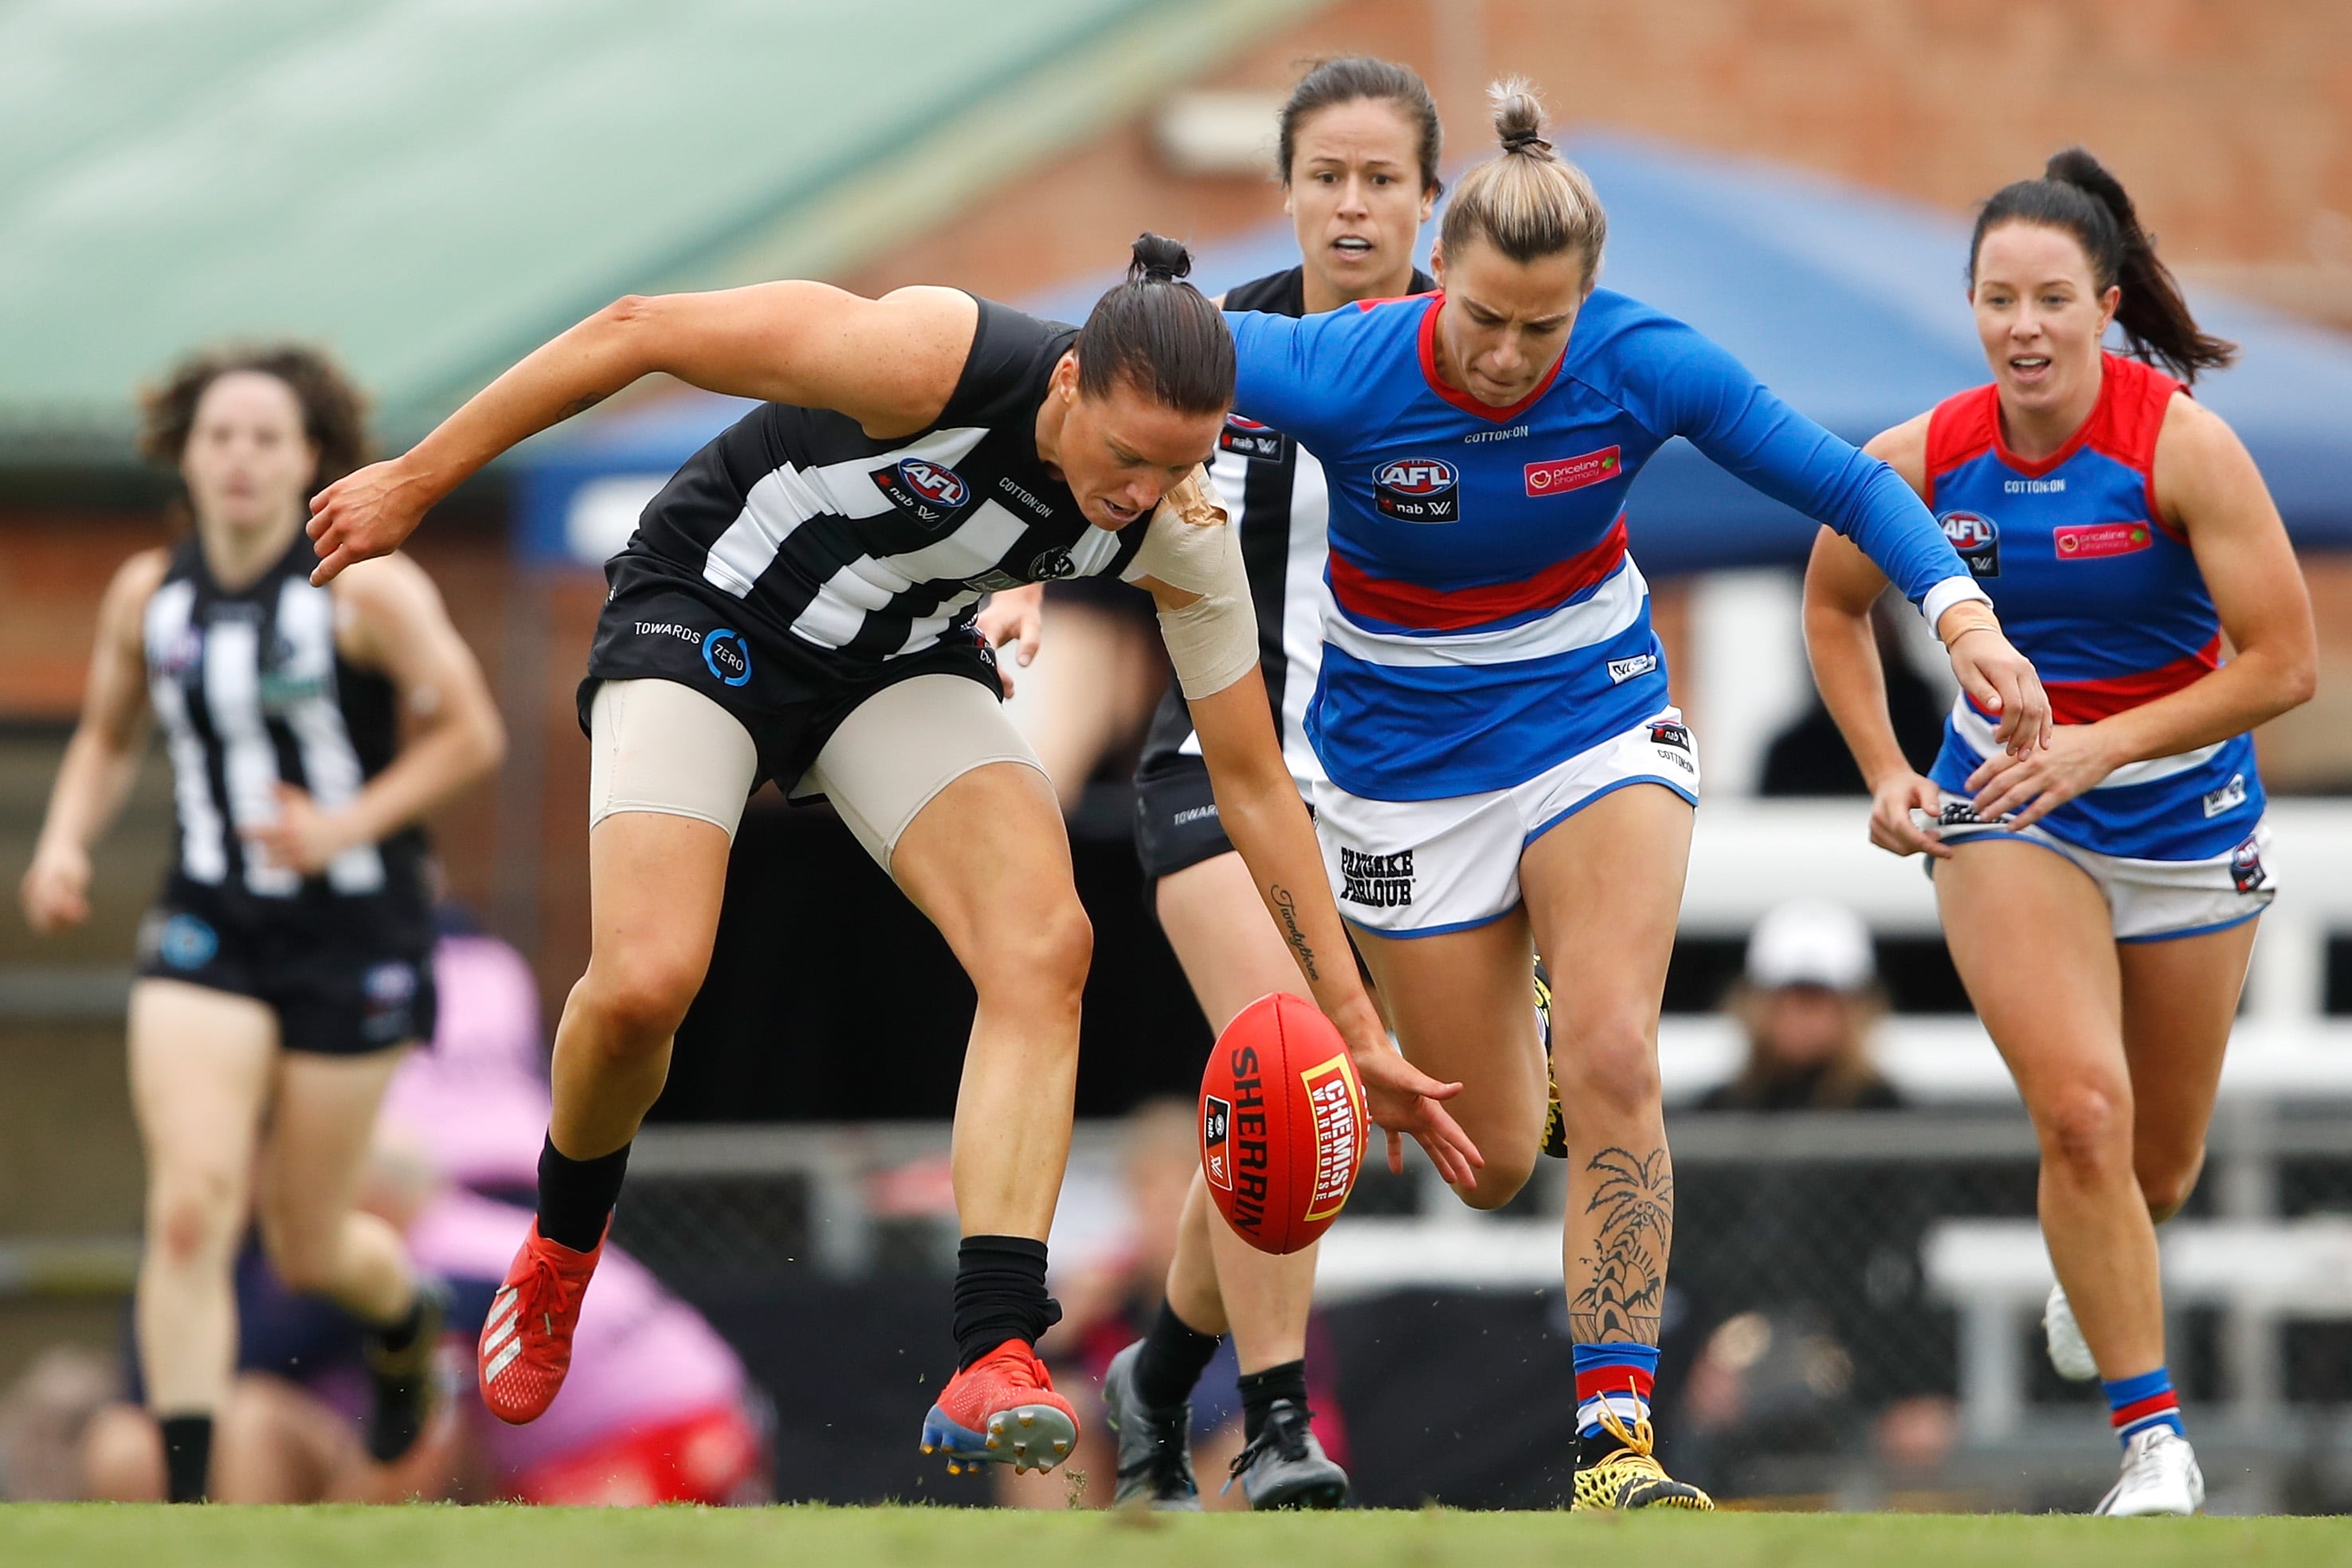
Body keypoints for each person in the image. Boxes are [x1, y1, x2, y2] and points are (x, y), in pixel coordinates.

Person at [302, 238, 1480, 1476]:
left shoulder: (1180, 531)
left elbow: (1252, 781)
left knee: (1047, 944)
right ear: (1069, 384)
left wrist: (1355, 1025)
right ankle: (560, 1243)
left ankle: (995, 1348)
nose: (1143, 494)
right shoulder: (931, 358)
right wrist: (415, 481)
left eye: (1181, 465)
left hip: (893, 661)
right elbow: (637, 325)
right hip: (713, 608)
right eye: (1126, 457)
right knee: (647, 984)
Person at [1215, 80, 2051, 1511]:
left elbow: (1847, 484)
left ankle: (1615, 1437)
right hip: (1401, 776)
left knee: (1614, 1053)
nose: (1504, 353)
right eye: (1480, 318)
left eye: (1541, 328)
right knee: (1481, 1161)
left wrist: (1963, 617)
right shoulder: (1339, 364)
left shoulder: (1639, 359)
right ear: (1442, 279)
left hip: (1593, 716)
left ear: (1586, 301)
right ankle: (1524, 1033)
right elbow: (1075, 366)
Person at [1802, 148, 2317, 1516]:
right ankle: (2155, 1447)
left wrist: (2106, 739)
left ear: (2102, 305)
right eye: (1994, 298)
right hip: (2008, 812)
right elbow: (1830, 605)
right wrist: (1883, 768)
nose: (2021, 325)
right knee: (2081, 1114)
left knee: (2156, 1159)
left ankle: (2092, 1259)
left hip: (2184, 818)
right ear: (1969, 308)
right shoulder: (1923, 453)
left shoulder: (2183, 447)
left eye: (2048, 298)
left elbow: (2283, 664)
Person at [1010, 55, 1441, 1513]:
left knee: (1287, 1101)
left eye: (1382, 177)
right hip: (1215, 762)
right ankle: (1267, 1423)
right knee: (1292, 1054)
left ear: (1428, 199)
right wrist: (1021, 588)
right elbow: (1065, 445)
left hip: (1400, 790)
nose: (1352, 202)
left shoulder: (1477, 352)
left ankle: (1153, 1366)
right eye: (1326, 174)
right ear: (1289, 190)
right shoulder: (1216, 346)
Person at [18, 346, 506, 1503]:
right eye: (219, 436)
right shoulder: (150, 595)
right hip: (208, 930)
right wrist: (64, 841)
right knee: (189, 1209)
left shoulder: (365, 587)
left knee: (307, 1242)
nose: (240, 459)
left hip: (354, 938)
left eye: (266, 438)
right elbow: (104, 734)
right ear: (185, 455)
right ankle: (188, 1508)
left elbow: (471, 733)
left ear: (309, 459)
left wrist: (348, 828)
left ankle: (406, 1323)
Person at [1697, 900, 1900, 1112]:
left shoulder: (1892, 1117)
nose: (1802, 1018)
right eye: (1789, 999)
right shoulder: (1718, 1111)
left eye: (1817, 1000)